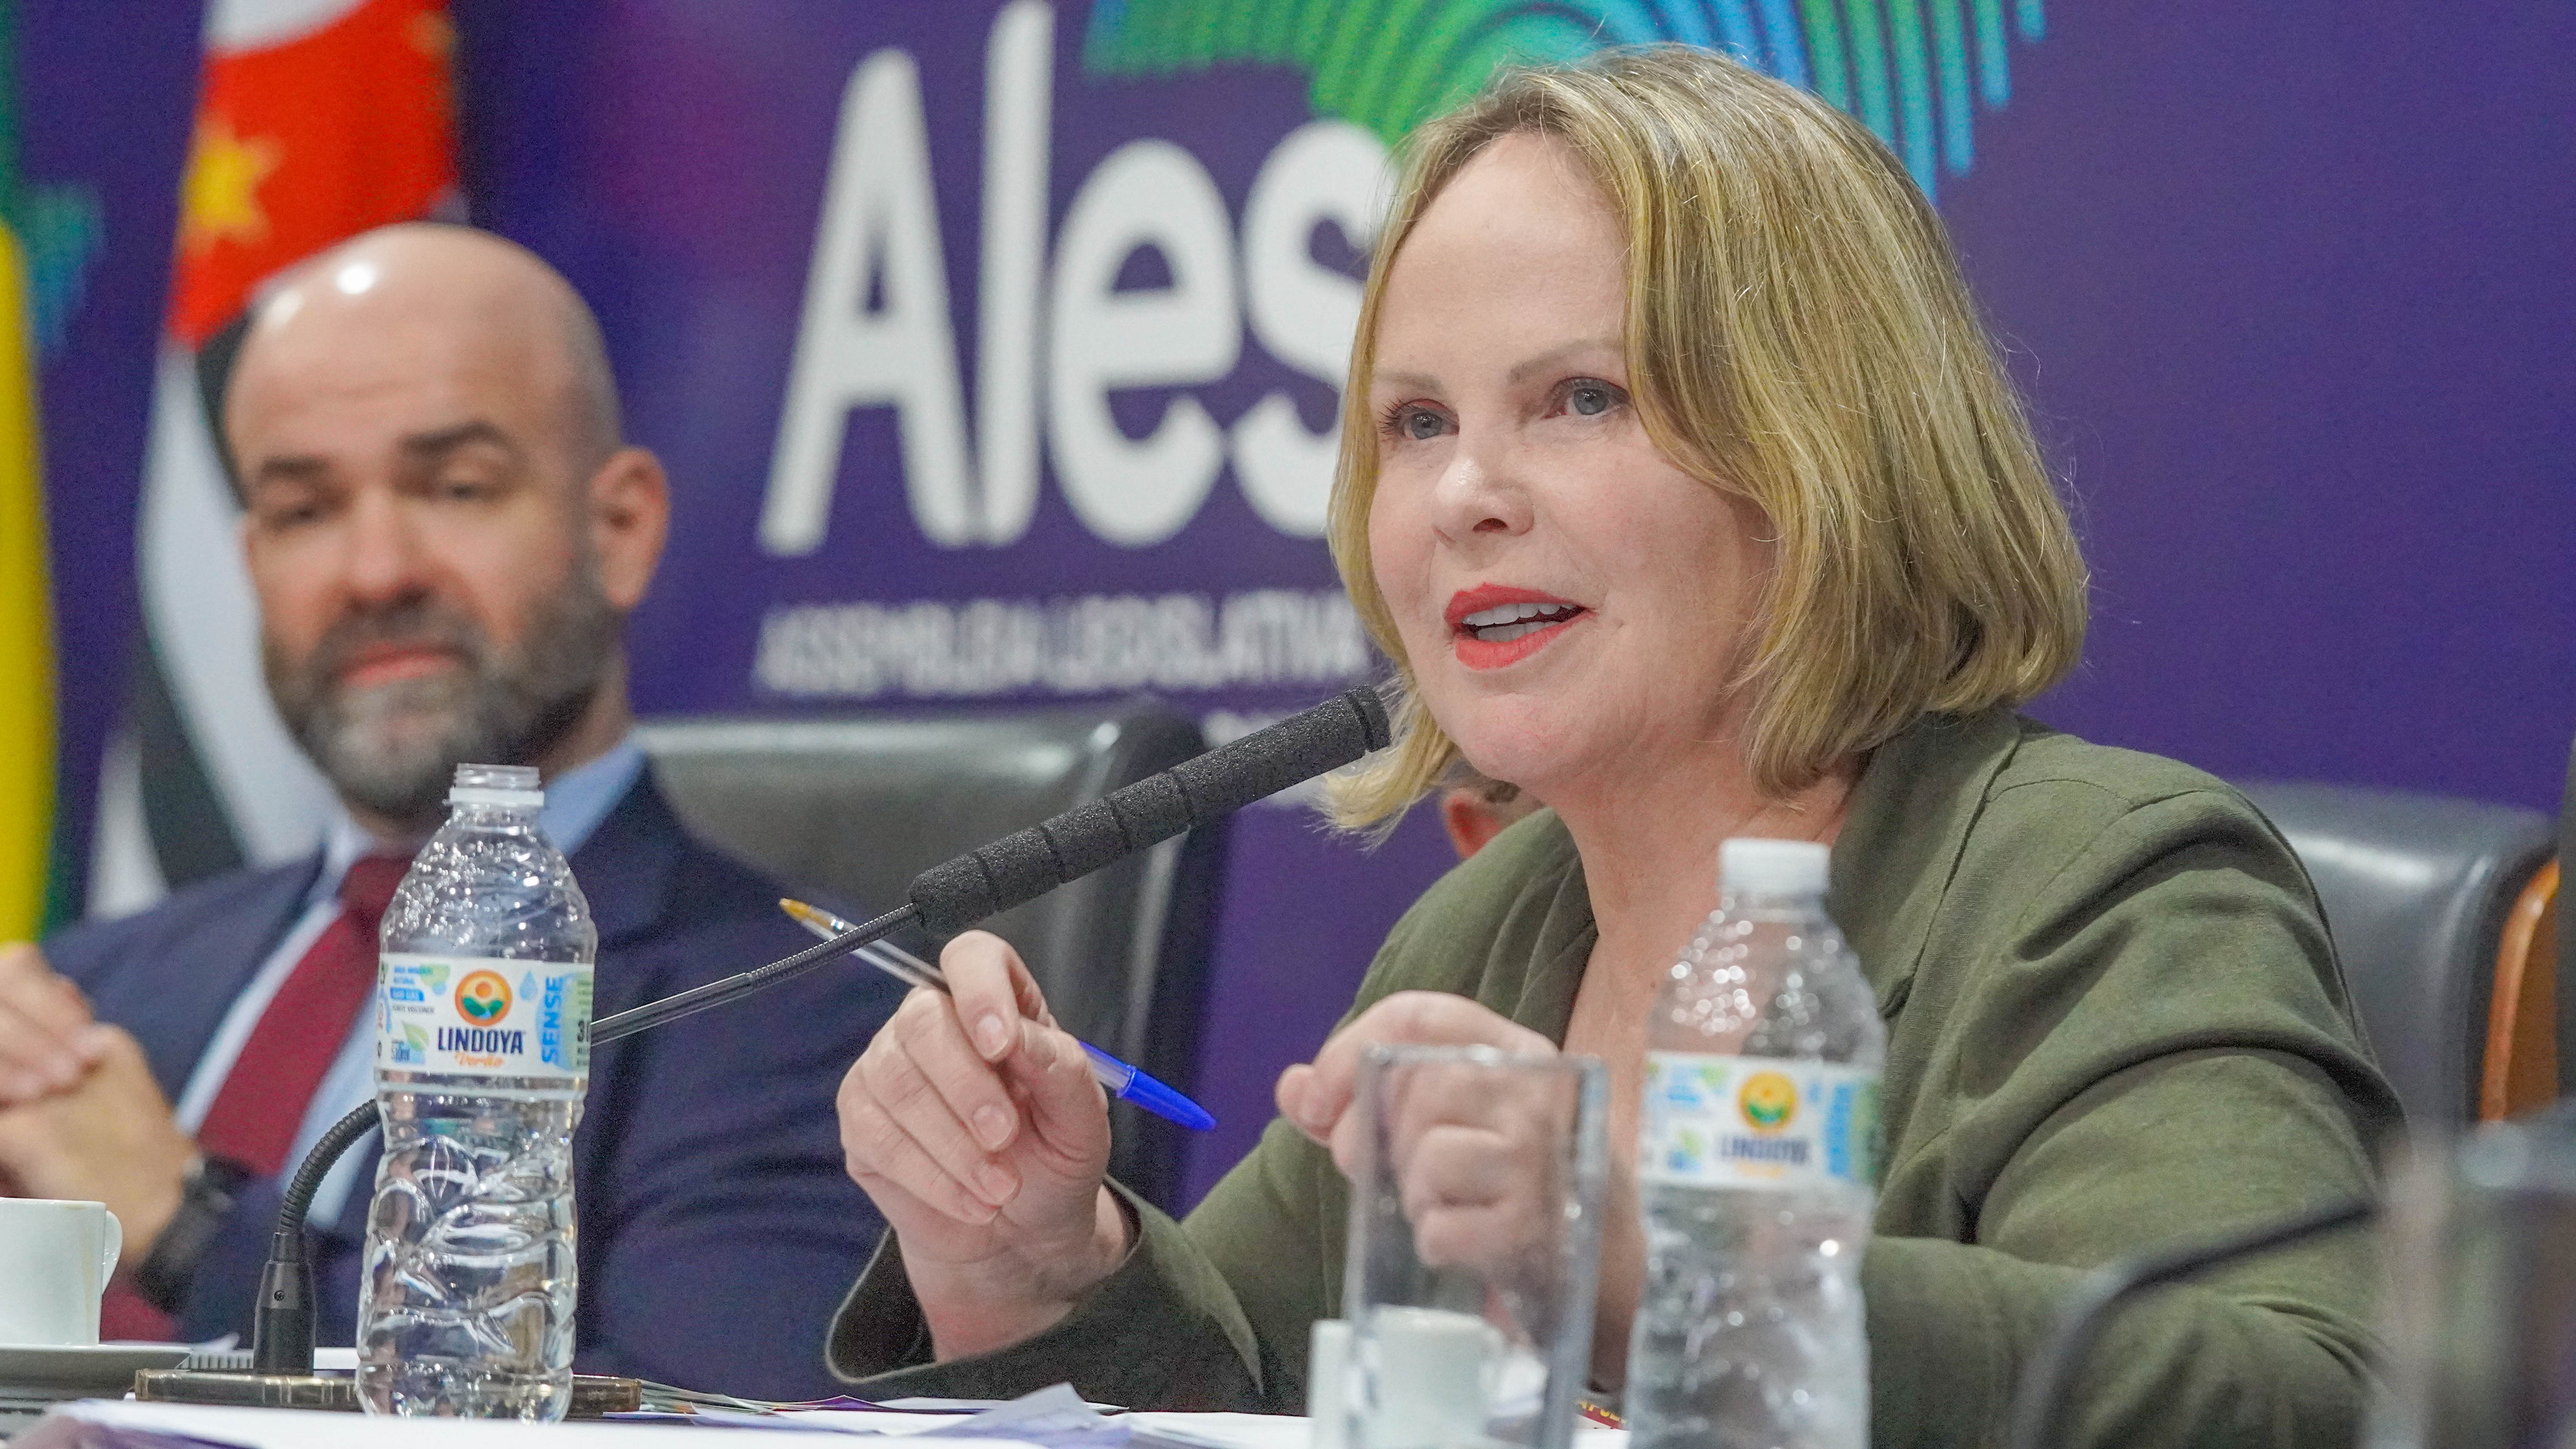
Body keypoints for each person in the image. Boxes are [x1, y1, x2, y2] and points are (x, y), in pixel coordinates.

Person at [819, 48, 2400, 1447]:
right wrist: (1042, 1260)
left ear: (1824, 449)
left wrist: (1665, 1272)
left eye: (1579, 399)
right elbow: (1243, 1402)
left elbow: (2299, 1400)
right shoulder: (1494, 929)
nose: (1464, 498)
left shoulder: (2104, 891)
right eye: (1417, 424)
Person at [0, 224, 901, 1397]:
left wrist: (189, 1226)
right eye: (306, 509)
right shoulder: (89, 1000)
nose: (376, 572)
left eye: (456, 487)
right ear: (252, 559)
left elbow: (702, 1420)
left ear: (617, 529)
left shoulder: (804, 1015)